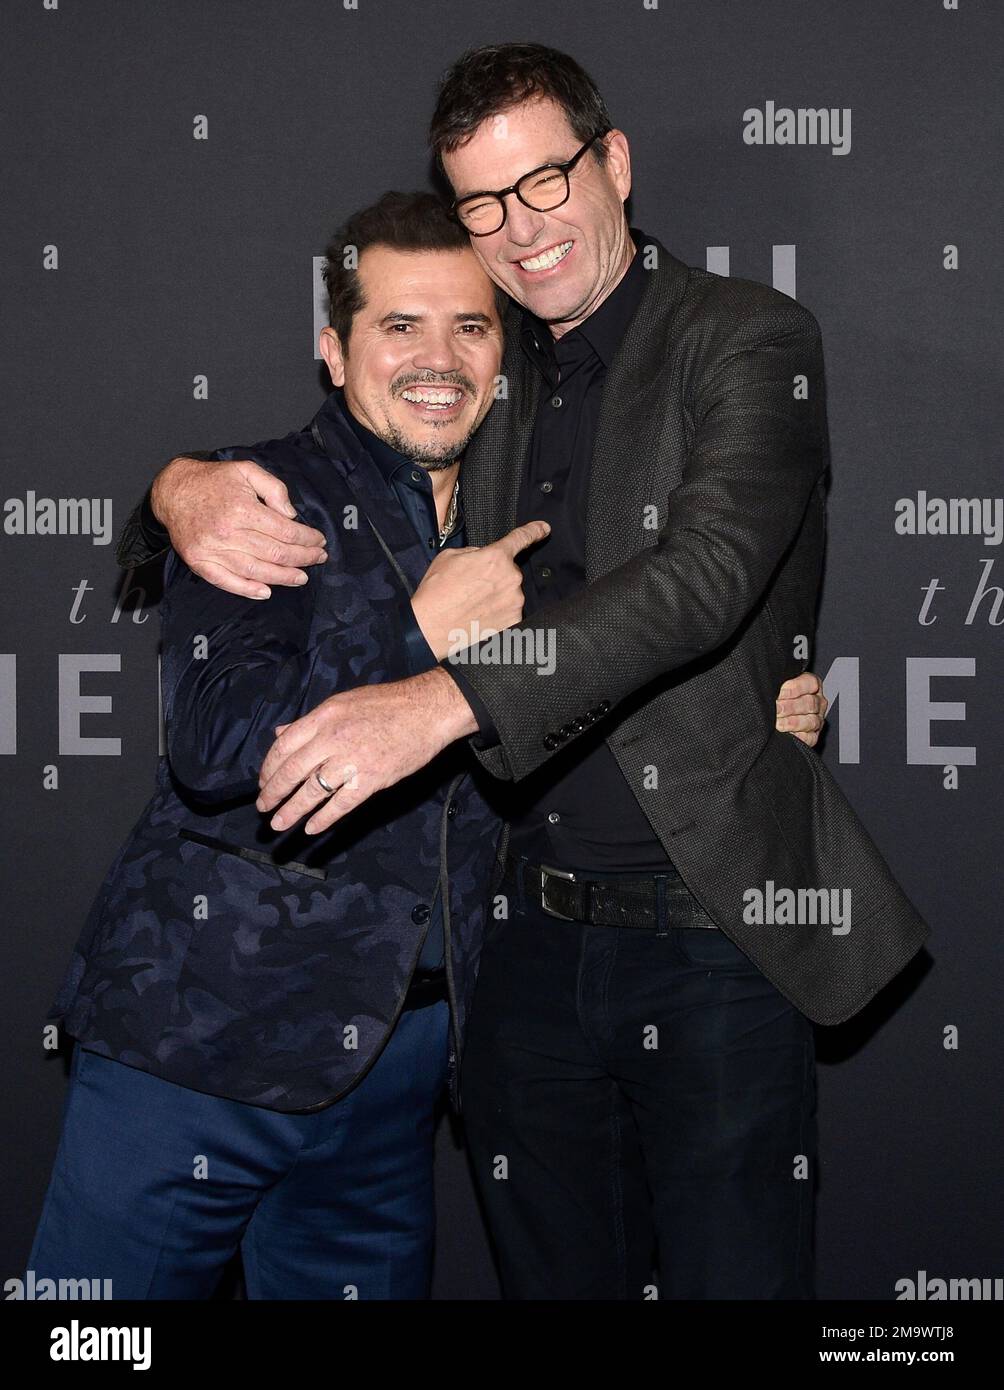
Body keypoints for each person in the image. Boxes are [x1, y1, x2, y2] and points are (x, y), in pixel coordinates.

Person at [115, 44, 876, 1301]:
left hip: (712, 939)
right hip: (512, 959)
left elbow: (703, 575)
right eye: (481, 203)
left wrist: (437, 701)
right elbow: (335, 444)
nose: (518, 232)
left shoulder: (747, 336)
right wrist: (172, 491)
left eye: (543, 183)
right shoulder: (492, 365)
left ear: (612, 163)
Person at [29, 192, 553, 1299]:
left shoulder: (526, 519)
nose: (438, 358)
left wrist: (762, 698)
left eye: (469, 325)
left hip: (394, 1076)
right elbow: (220, 747)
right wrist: (417, 631)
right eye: (398, 326)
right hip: (198, 1048)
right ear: (333, 349)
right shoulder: (253, 496)